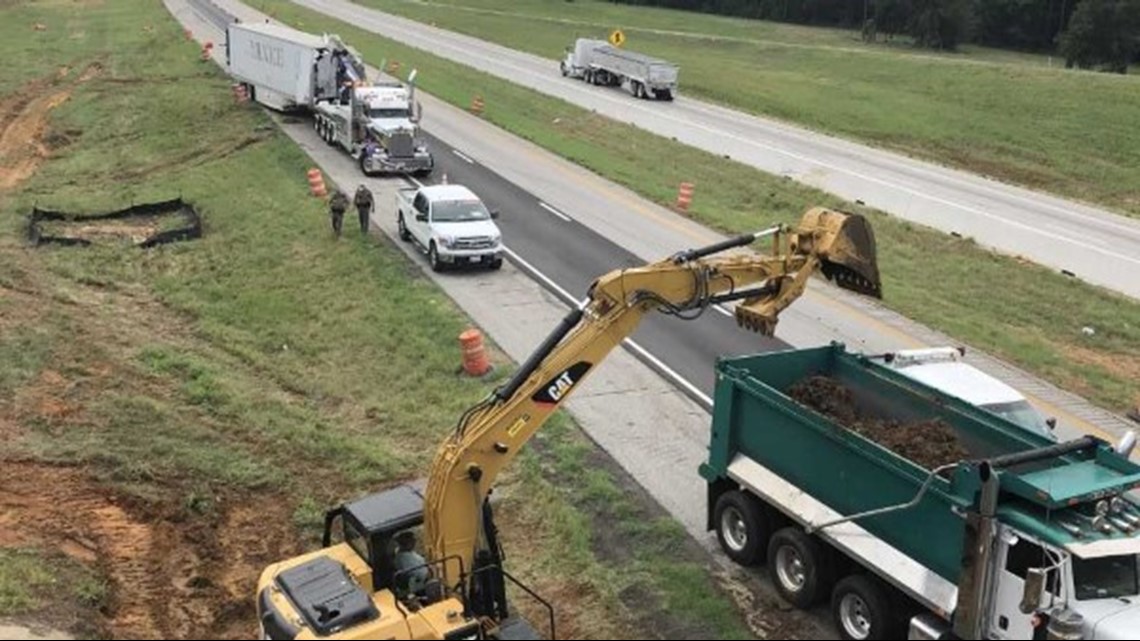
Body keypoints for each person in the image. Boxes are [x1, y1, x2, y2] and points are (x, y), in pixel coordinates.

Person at [393, 531, 430, 598]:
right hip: (419, 587)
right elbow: (422, 574)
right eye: (412, 540)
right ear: (406, 543)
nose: (414, 542)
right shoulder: (405, 558)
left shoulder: (406, 553)